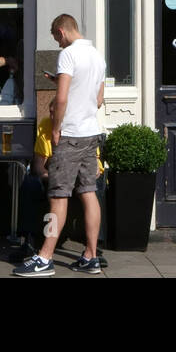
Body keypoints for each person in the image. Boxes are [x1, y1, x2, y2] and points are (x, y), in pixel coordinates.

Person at [13, 14, 106, 276]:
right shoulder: (98, 56)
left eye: (56, 38)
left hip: (69, 134)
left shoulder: (68, 55)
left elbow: (61, 99)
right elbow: (98, 99)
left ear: (62, 31)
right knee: (88, 192)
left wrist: (55, 129)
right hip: (91, 133)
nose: (57, 44)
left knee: (58, 196)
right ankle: (91, 256)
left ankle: (45, 257)